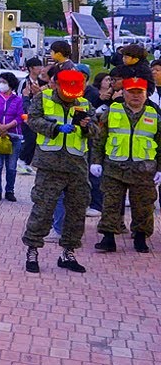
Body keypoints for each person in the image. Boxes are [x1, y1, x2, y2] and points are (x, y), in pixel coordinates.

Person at [22, 68, 93, 274]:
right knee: (43, 209)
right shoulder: (43, 98)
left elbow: (95, 132)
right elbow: (33, 121)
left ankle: (68, 253)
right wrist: (55, 128)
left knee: (77, 211)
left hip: (77, 166)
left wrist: (87, 126)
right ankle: (32, 250)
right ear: (57, 85)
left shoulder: (85, 103)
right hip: (49, 165)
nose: (72, 98)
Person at [90, 77, 160, 254]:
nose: (135, 96)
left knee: (144, 205)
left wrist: (160, 168)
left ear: (146, 94)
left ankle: (140, 238)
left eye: (139, 92)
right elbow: (100, 139)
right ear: (124, 93)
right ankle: (108, 238)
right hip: (114, 168)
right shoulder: (112, 111)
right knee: (111, 203)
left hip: (144, 170)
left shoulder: (154, 115)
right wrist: (95, 162)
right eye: (131, 92)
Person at [0, 71, 24, 202]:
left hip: (13, 135)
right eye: (0, 82)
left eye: (4, 82)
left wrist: (7, 127)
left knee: (12, 166)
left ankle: (10, 191)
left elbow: (20, 116)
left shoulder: (18, 100)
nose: (1, 85)